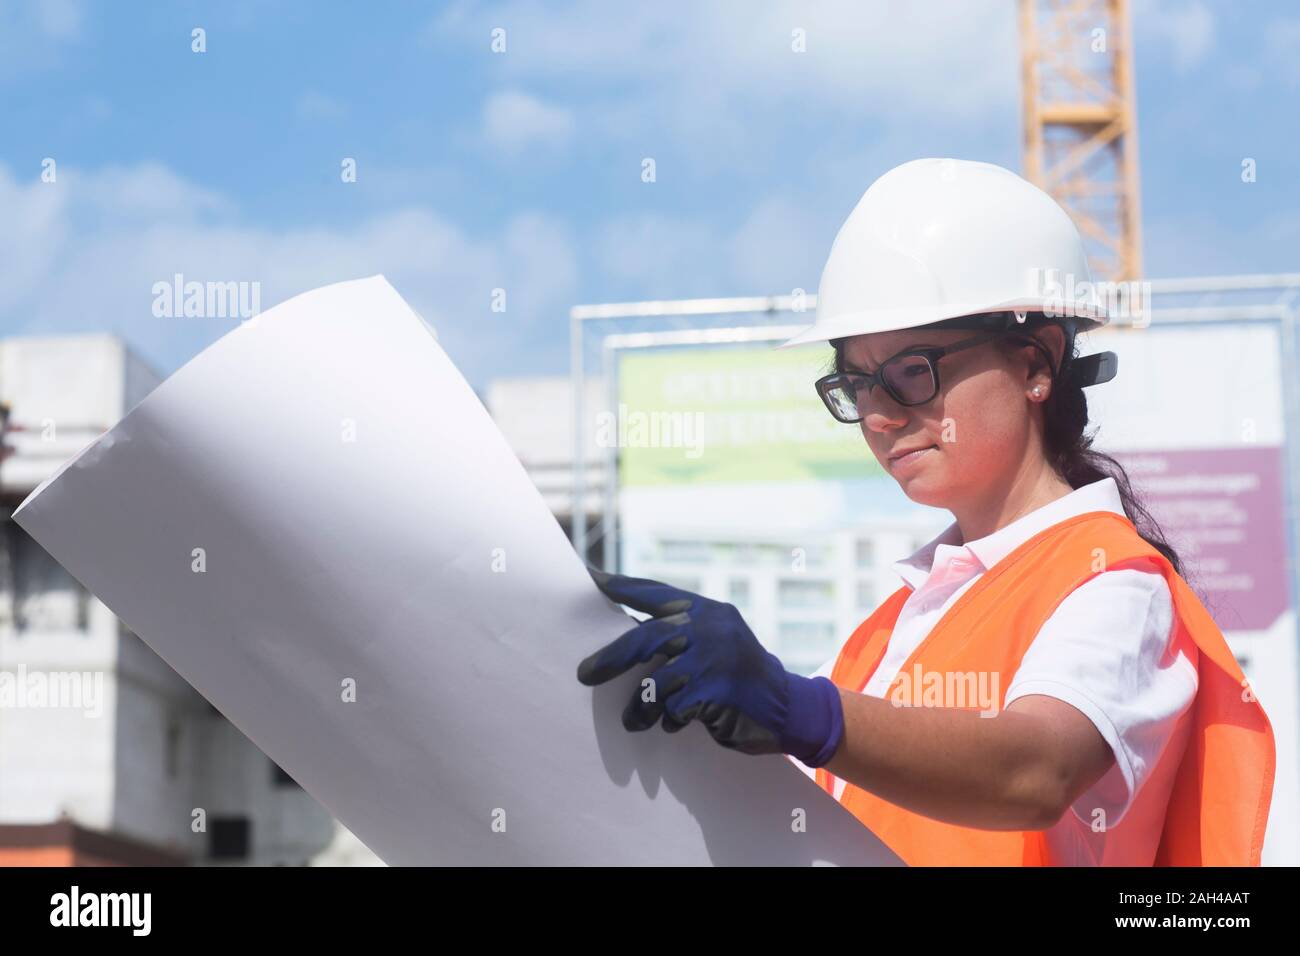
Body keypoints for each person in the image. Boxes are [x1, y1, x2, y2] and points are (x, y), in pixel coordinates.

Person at [576, 158, 1275, 866]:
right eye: (856, 384)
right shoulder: (881, 637)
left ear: (1036, 364)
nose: (877, 417)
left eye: (911, 372)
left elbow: (1034, 771)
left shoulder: (1113, 583)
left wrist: (794, 708)